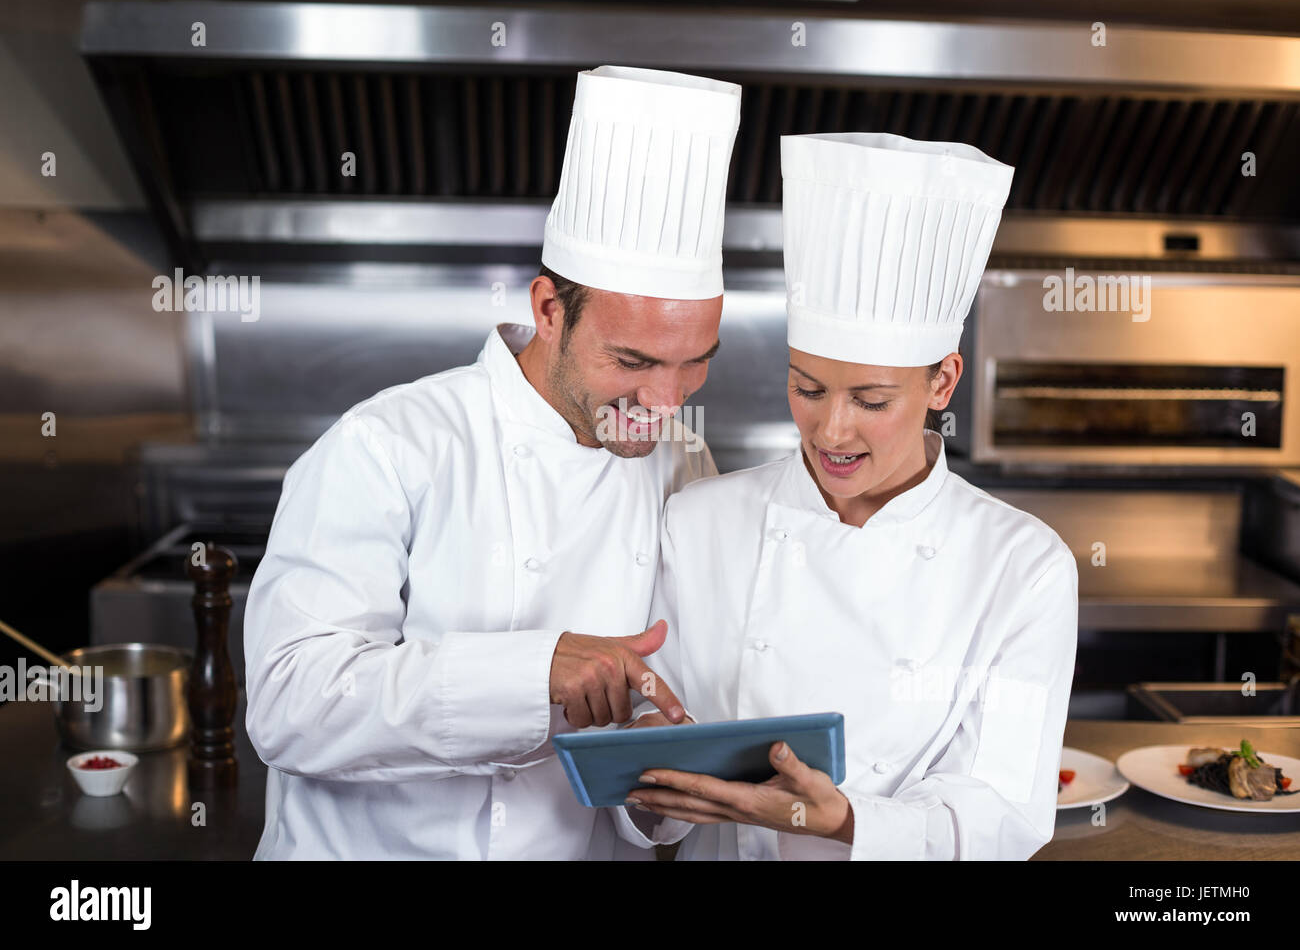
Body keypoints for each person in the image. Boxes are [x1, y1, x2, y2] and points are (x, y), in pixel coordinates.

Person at [242, 65, 742, 859]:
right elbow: (289, 704)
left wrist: (664, 789)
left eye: (695, 364)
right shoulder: (389, 444)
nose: (668, 399)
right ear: (548, 310)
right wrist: (534, 671)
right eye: (633, 361)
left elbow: (674, 698)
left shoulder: (680, 461)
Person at [625, 133, 1079, 860]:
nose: (831, 429)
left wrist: (841, 821)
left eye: (870, 400)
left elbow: (1001, 813)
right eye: (807, 388)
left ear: (943, 381)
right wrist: (644, 772)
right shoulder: (700, 520)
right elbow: (658, 794)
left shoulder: (1022, 565)